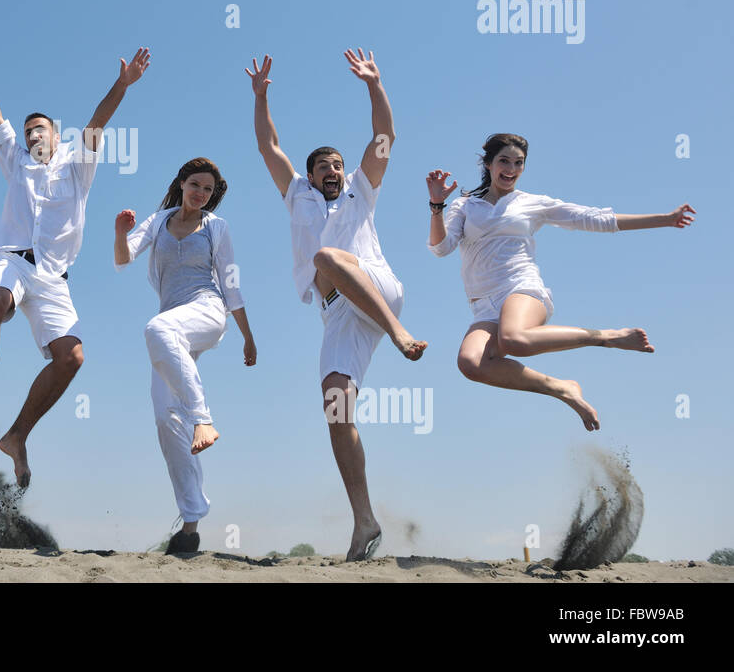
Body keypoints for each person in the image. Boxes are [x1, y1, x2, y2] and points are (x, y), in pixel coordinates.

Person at [0, 41, 150, 488]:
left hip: (54, 278)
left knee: (71, 358)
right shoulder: (15, 159)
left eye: (41, 129)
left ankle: (17, 436)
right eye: (29, 130)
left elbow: (99, 120)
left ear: (57, 135)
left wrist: (123, 83)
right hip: (13, 261)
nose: (34, 134)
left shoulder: (78, 164)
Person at [248, 49, 425, 563]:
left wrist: (374, 84)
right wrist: (261, 97)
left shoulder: (359, 194)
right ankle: (365, 520)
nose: (334, 168)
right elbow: (268, 146)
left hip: (377, 290)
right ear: (310, 175)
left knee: (327, 252)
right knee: (334, 406)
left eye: (338, 164)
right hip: (337, 311)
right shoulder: (297, 195)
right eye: (324, 164)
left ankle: (399, 332)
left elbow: (384, 138)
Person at [426, 134, 695, 430]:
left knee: (514, 339)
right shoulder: (465, 206)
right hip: (483, 305)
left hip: (521, 289)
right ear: (488, 163)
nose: (511, 169)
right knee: (471, 363)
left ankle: (606, 336)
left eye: (519, 163)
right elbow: (441, 248)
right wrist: (437, 205)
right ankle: (562, 388)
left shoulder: (532, 203)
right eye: (504, 161)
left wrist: (665, 218)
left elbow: (594, 219)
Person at [114, 157, 257, 555]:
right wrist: (119, 231)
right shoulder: (158, 221)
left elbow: (231, 285)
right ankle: (190, 523)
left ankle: (204, 420)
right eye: (195, 184)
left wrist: (247, 336)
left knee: (156, 329)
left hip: (207, 311)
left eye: (208, 189)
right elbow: (123, 258)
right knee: (164, 418)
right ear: (181, 183)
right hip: (172, 327)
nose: (200, 193)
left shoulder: (216, 228)